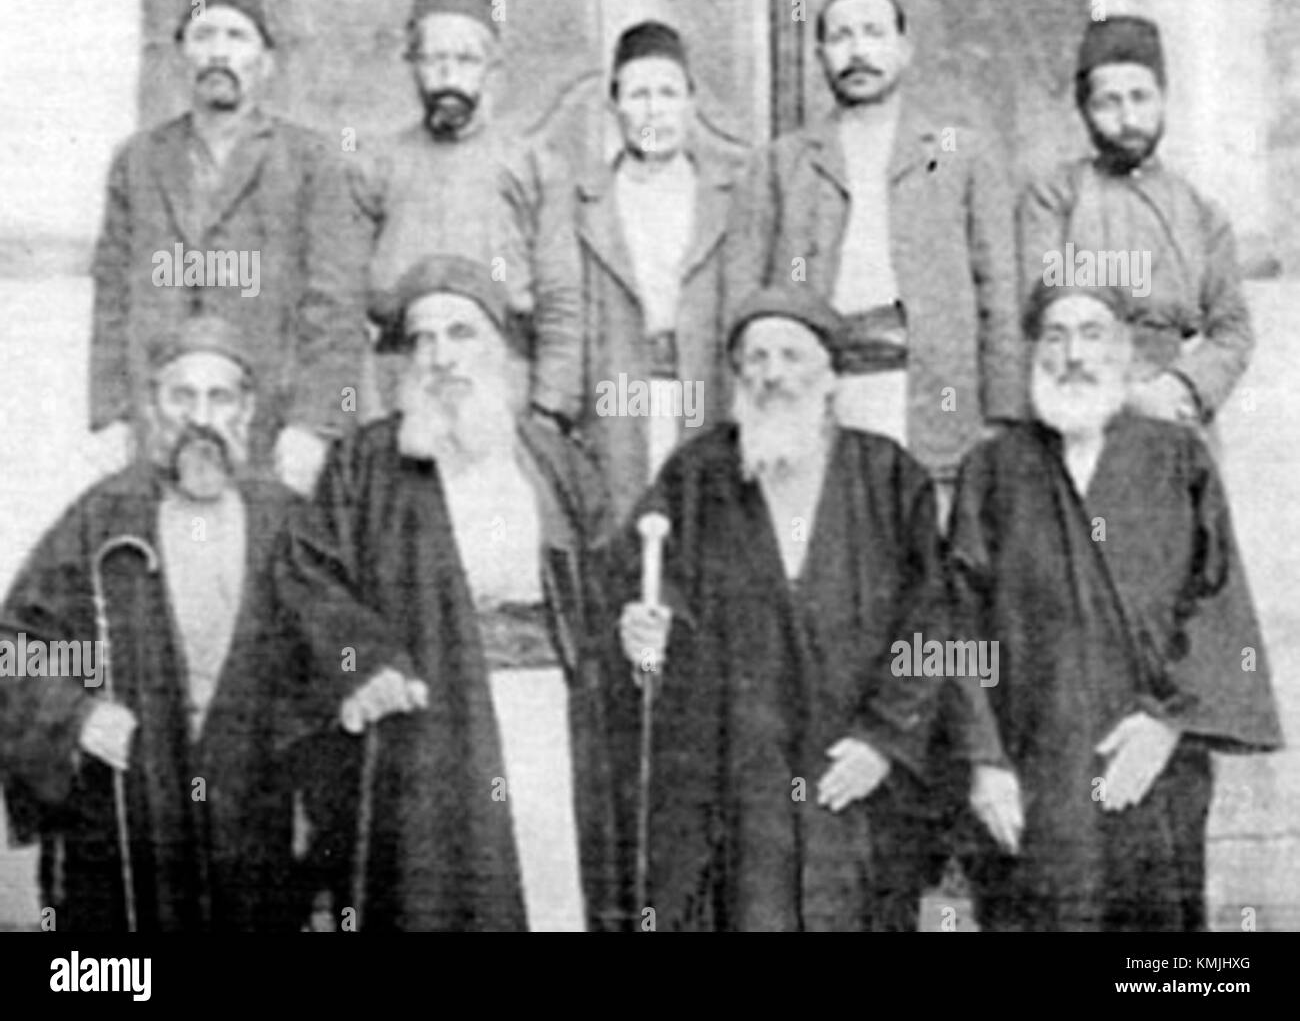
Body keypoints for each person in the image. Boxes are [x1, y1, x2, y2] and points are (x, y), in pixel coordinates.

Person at [281, 256, 623, 931]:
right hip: (428, 730)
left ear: (500, 349)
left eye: (462, 334)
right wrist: (367, 663)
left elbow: (610, 585)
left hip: (549, 722)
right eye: (422, 339)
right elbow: (310, 582)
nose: (442, 356)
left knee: (554, 895)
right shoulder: (365, 464)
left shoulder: (554, 461)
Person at [945, 280, 1283, 931]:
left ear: (1126, 352)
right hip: (1030, 769)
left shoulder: (1176, 456)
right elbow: (954, 625)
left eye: (1093, 334)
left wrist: (1169, 722)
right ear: (1033, 352)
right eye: (1055, 334)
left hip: (1152, 768)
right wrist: (983, 762)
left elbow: (1219, 600)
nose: (1074, 353)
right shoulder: (991, 469)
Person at [610, 284, 946, 931]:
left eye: (792, 355)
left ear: (830, 376)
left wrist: (884, 738)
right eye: (755, 358)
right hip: (740, 784)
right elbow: (644, 584)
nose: (772, 374)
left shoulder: (890, 479)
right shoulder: (696, 475)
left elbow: (932, 623)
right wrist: (644, 631)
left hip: (855, 773)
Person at [0, 317, 317, 931]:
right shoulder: (104, 517)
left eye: (219, 397)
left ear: (247, 410)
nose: (201, 417)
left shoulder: (288, 522)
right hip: (135, 809)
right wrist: (76, 715)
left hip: (254, 811)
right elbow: (16, 648)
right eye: (181, 396)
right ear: (152, 407)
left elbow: (340, 648)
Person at [722, 0, 1023, 510]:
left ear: (904, 49)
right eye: (840, 37)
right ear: (819, 54)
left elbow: (999, 292)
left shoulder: (960, 155)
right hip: (820, 391)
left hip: (928, 389)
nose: (857, 51)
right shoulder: (779, 165)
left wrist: (1001, 414)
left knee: (929, 551)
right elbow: (744, 301)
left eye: (873, 33)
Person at [89, 0, 370, 494]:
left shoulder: (311, 162)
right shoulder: (139, 161)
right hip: (163, 422)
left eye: (237, 37)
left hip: (268, 425)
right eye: (204, 36)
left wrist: (312, 425)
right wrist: (111, 414)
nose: (219, 53)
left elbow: (336, 308)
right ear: (181, 57)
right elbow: (112, 297)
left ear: (266, 62)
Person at [353, 0, 582, 428]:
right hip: (398, 386)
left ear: (491, 66)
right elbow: (345, 304)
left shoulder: (534, 166)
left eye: (465, 59)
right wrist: (368, 410)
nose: (448, 74)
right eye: (434, 58)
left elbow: (560, 300)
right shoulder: (375, 165)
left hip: (503, 389)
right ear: (412, 64)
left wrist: (548, 410)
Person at [1017, 15, 1254, 429]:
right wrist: (1123, 393)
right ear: (1084, 110)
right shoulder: (1053, 198)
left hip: (1175, 409)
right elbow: (1047, 305)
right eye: (1108, 102)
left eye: (1140, 98)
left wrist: (1180, 386)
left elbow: (1232, 330)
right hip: (1078, 404)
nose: (1128, 119)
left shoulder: (1201, 213)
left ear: (1163, 98)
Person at [577, 21, 739, 521]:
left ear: (691, 103)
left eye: (668, 93)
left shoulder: (730, 197)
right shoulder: (583, 200)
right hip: (616, 392)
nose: (653, 110)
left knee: (702, 524)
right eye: (638, 94)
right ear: (614, 106)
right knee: (622, 524)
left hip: (703, 387)